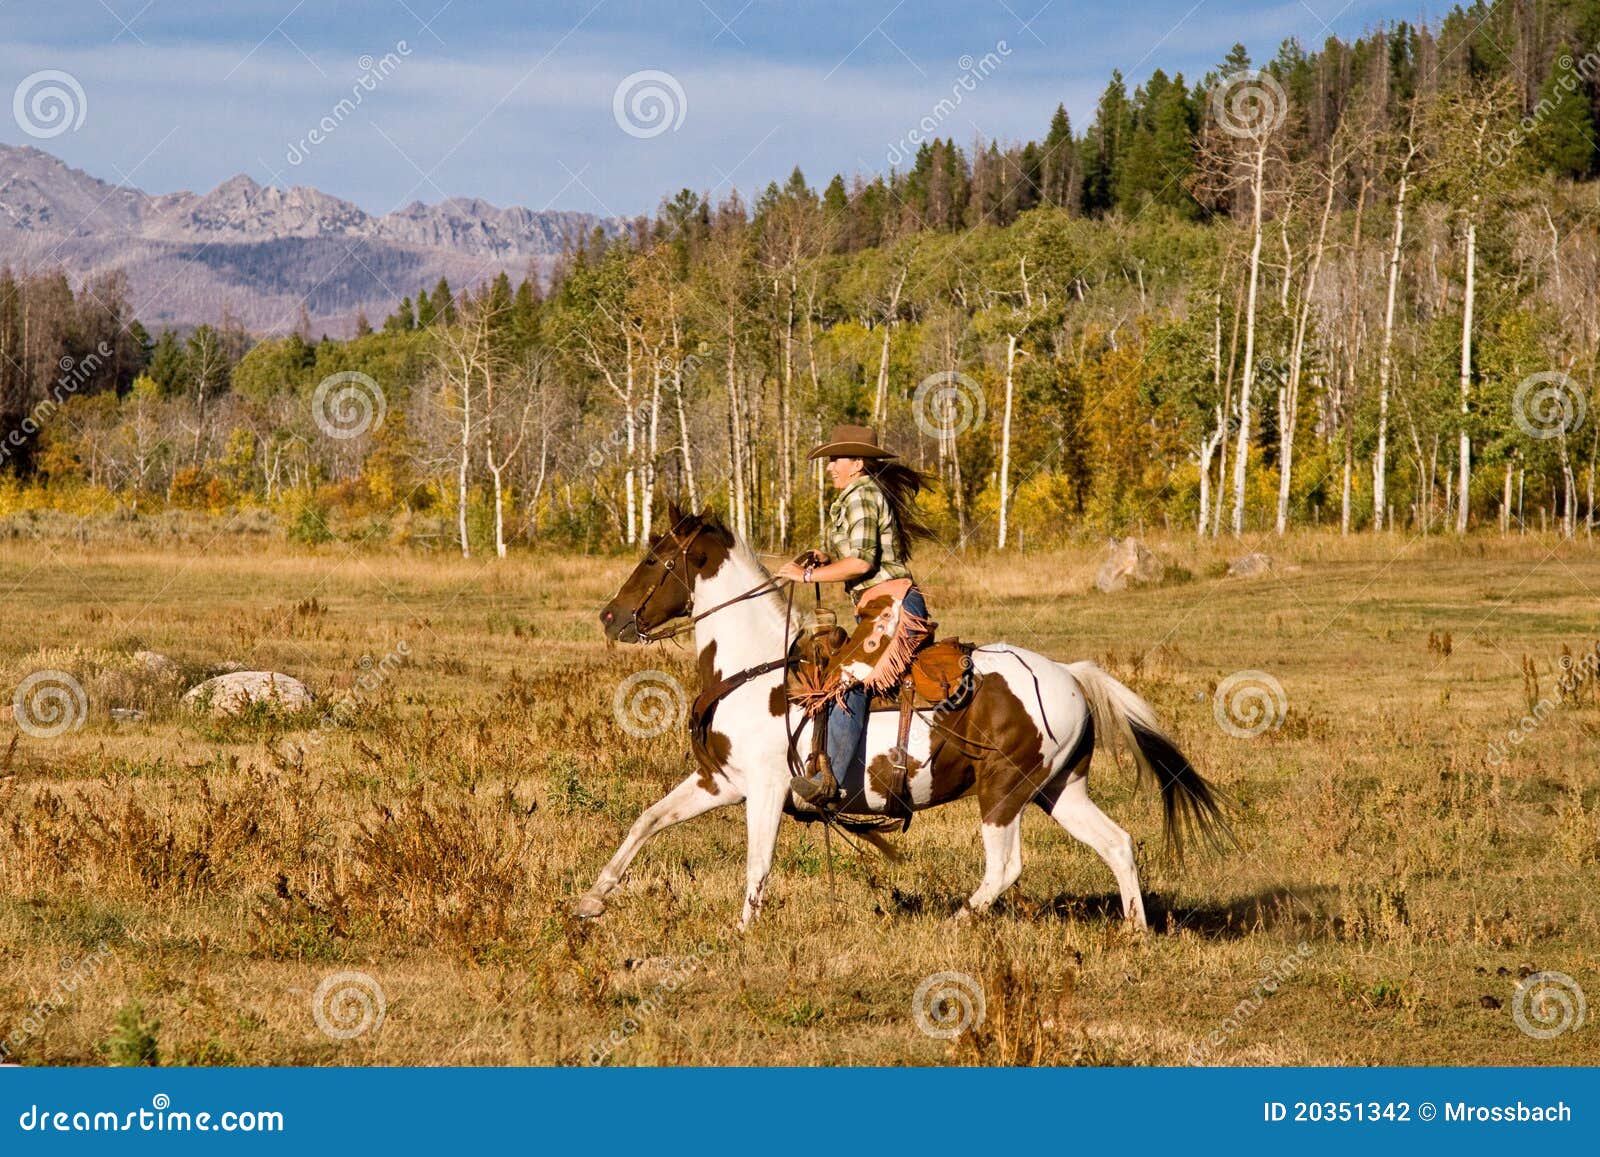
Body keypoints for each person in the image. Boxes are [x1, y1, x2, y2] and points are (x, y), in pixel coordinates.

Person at [775, 424, 936, 804]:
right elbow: (859, 557)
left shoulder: (861, 495)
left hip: (892, 605)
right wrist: (830, 559)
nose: (830, 467)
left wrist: (807, 574)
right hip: (878, 606)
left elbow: (862, 564)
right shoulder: (859, 494)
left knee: (848, 677)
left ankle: (829, 781)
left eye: (835, 459)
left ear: (857, 462)